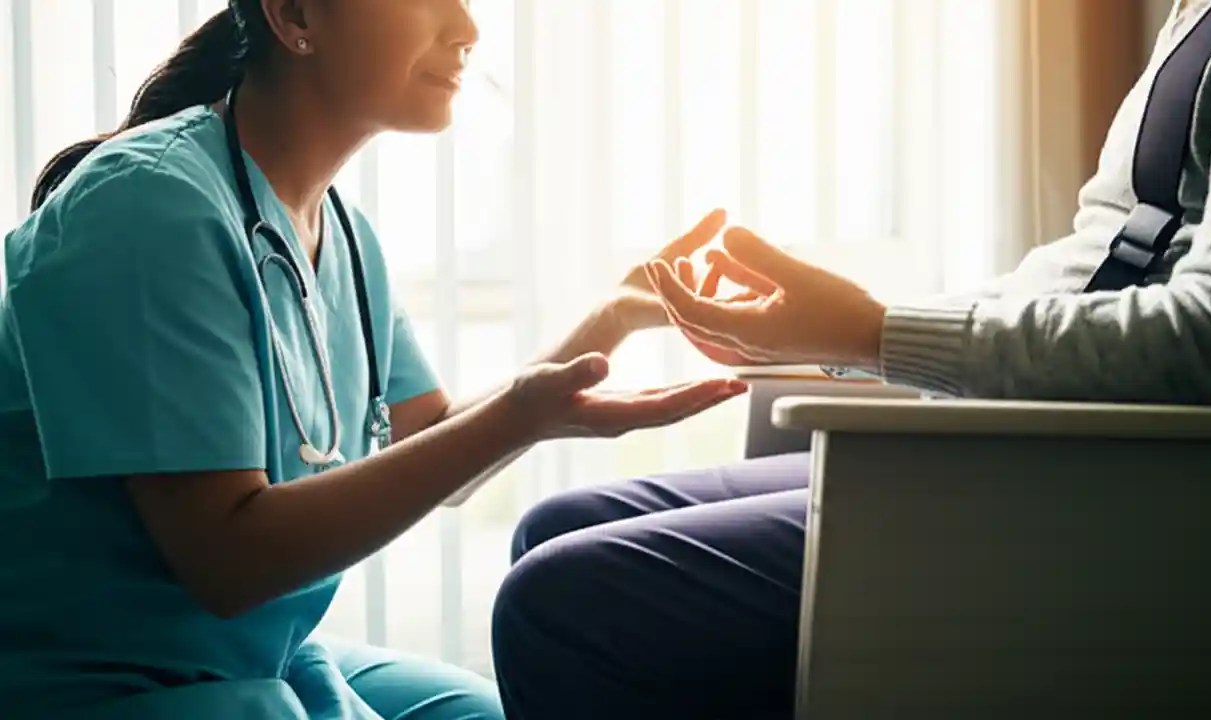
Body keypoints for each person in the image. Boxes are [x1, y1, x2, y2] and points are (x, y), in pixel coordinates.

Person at [490, 0, 1211, 717]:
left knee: (560, 604)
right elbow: (1087, 274)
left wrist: (870, 333)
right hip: (1040, 444)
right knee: (560, 522)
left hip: (1122, 490)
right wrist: (844, 336)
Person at [0, 1, 746, 718]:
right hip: (97, 676)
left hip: (258, 656)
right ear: (294, 16)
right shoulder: (146, 208)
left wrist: (610, 317)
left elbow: (434, 442)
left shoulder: (342, 234)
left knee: (496, 710)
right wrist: (520, 416)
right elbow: (229, 559)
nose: (466, 28)